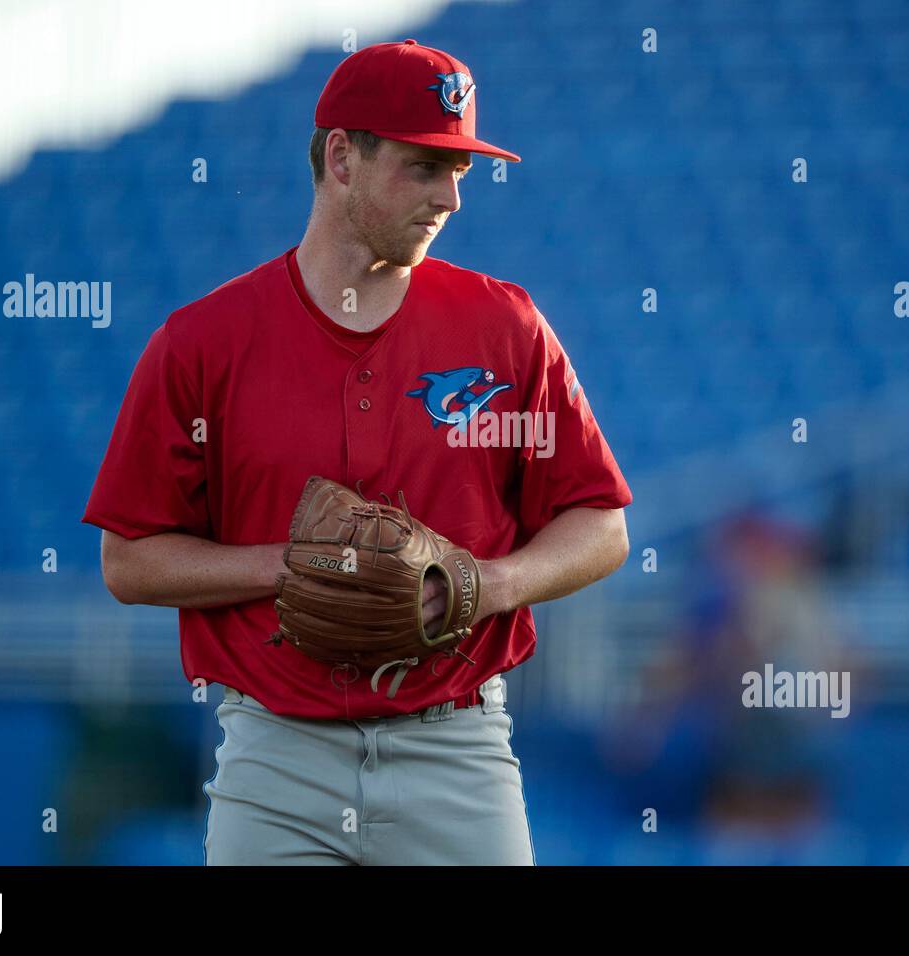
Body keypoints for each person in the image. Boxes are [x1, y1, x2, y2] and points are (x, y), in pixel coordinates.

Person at [80, 39, 632, 865]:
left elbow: (602, 526)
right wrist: (299, 568)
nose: (450, 196)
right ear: (342, 156)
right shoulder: (203, 343)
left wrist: (489, 584)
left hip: (457, 748)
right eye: (424, 166)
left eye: (461, 171)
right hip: (276, 756)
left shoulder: (506, 328)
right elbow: (129, 562)